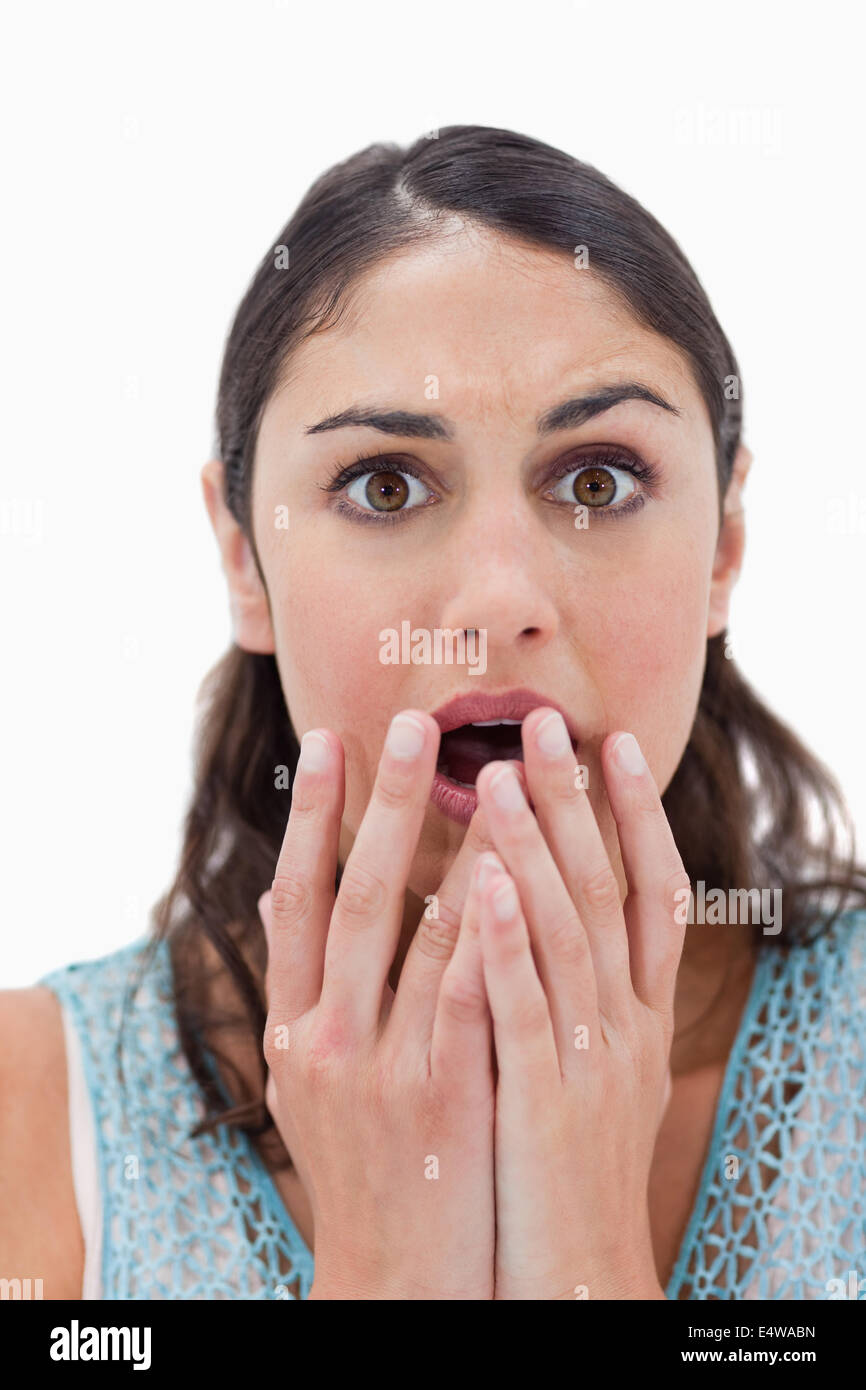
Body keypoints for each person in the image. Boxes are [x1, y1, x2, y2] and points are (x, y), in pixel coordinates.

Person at [3, 125, 865, 1300]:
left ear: (722, 545)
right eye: (384, 485)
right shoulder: (32, 1110)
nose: (499, 598)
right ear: (244, 556)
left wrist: (588, 1251)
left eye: (596, 480)